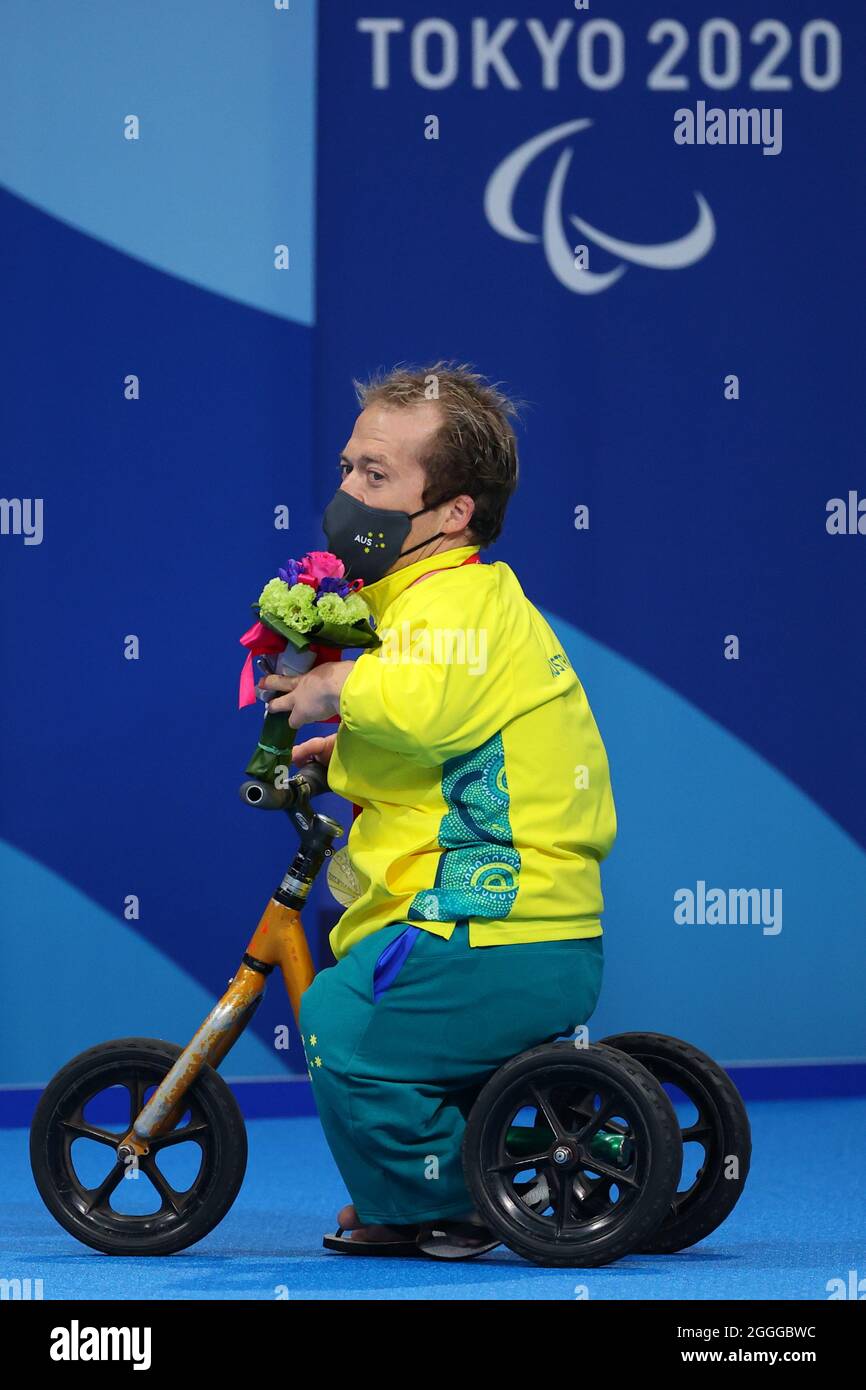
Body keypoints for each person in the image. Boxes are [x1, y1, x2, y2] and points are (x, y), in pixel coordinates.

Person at [257, 361, 617, 1258]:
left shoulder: (456, 603)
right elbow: (449, 735)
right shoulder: (424, 608)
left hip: (484, 919)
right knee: (384, 1022)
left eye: (375, 476)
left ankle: (447, 1200)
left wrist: (334, 686)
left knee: (341, 1026)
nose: (346, 492)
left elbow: (423, 703)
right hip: (521, 929)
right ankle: (519, 1163)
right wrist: (350, 751)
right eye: (346, 469)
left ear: (454, 510)